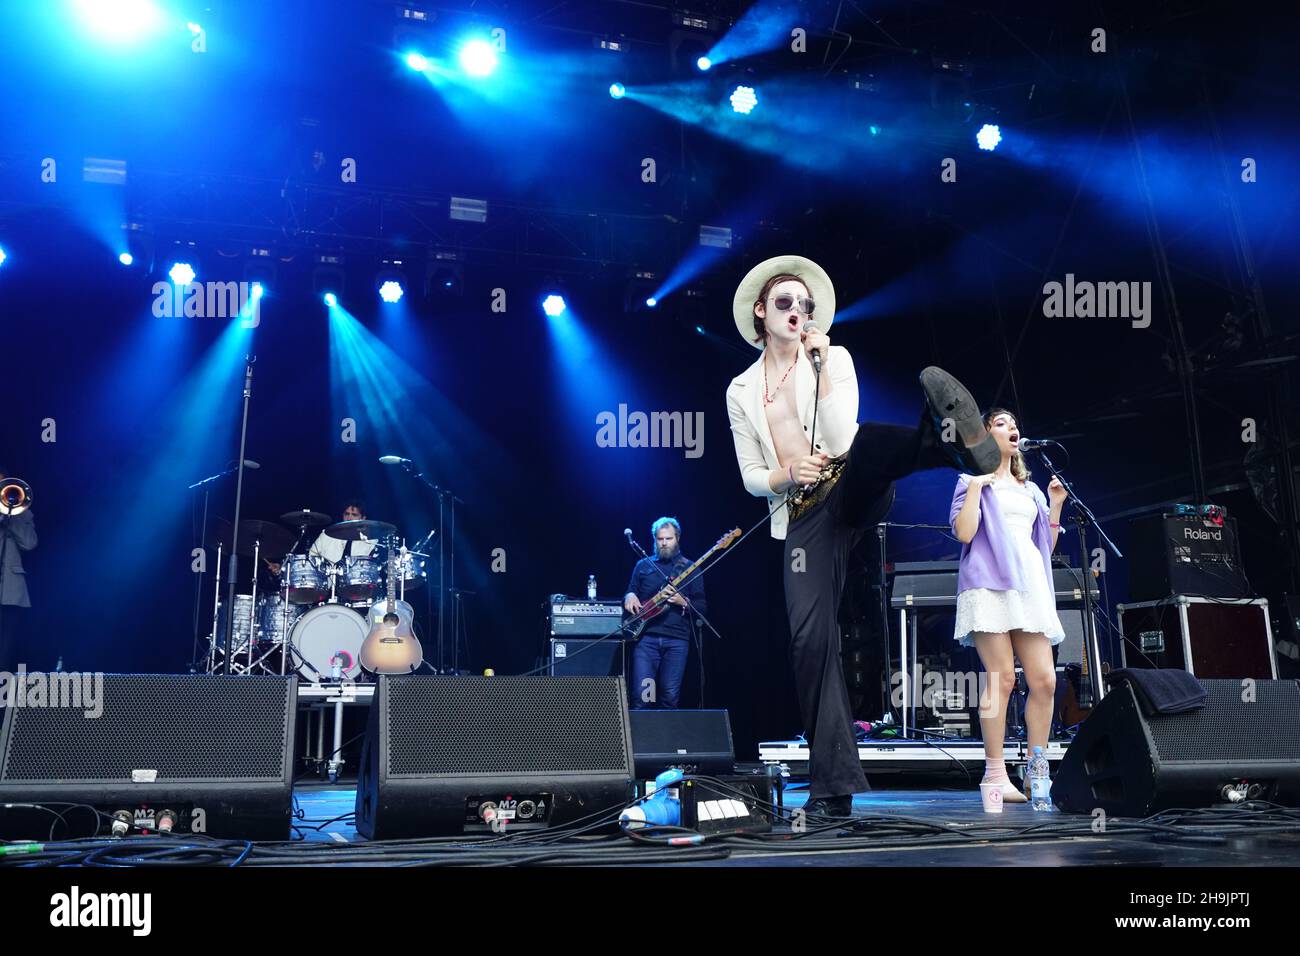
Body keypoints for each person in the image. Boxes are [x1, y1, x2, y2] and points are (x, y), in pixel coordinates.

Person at [725, 255, 1001, 819]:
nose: (798, 312)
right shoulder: (741, 389)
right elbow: (752, 475)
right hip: (803, 515)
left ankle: (949, 442)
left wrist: (819, 364)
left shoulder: (834, 358)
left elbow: (837, 434)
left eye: (806, 305)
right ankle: (835, 786)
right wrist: (785, 475)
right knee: (810, 643)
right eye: (785, 303)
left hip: (852, 482)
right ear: (760, 311)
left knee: (870, 442)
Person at [950, 408, 1067, 803]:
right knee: (1002, 678)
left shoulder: (1029, 488)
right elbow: (964, 533)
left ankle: (1038, 770)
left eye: (1014, 422)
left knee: (1045, 680)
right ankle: (995, 775)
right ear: (984, 436)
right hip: (989, 584)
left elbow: (1044, 550)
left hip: (1030, 587)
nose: (1012, 427)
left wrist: (1055, 508)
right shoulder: (969, 480)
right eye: (1001, 423)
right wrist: (976, 488)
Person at [623, 517, 708, 710]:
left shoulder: (690, 567)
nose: (664, 543)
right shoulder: (643, 565)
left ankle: (666, 740)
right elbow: (630, 590)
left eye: (668, 539)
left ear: (677, 538)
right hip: (646, 640)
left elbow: (702, 607)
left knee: (670, 697)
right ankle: (640, 739)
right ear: (654, 539)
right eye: (660, 539)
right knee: (643, 697)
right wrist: (629, 596)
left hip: (677, 641)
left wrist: (682, 601)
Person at [0, 468, 37, 672]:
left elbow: (30, 543)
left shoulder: (21, 514)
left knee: (4, 652)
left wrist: (11, 519)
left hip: (12, 594)